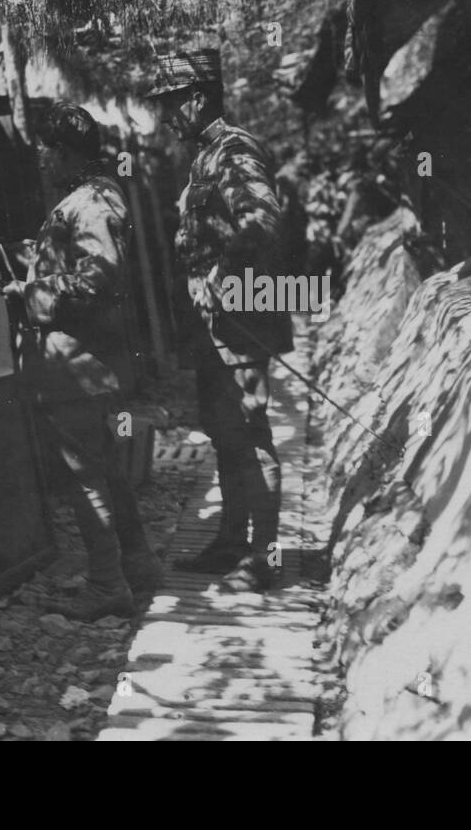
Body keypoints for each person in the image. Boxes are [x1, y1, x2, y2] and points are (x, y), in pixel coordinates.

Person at [0, 102, 160, 619]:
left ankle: (107, 585)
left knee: (84, 474)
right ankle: (138, 566)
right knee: (104, 469)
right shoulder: (86, 199)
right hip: (81, 364)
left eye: (45, 152)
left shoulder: (93, 203)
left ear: (63, 152)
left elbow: (100, 278)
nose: (40, 161)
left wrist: (30, 293)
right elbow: (50, 253)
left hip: (75, 366)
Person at [148, 48, 293, 592]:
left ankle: (265, 557)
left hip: (241, 322)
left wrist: (226, 277)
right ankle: (233, 543)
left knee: (251, 436)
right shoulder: (205, 158)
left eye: (171, 103)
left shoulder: (233, 153)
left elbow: (265, 222)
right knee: (227, 436)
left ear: (197, 97)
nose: (166, 116)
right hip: (214, 329)